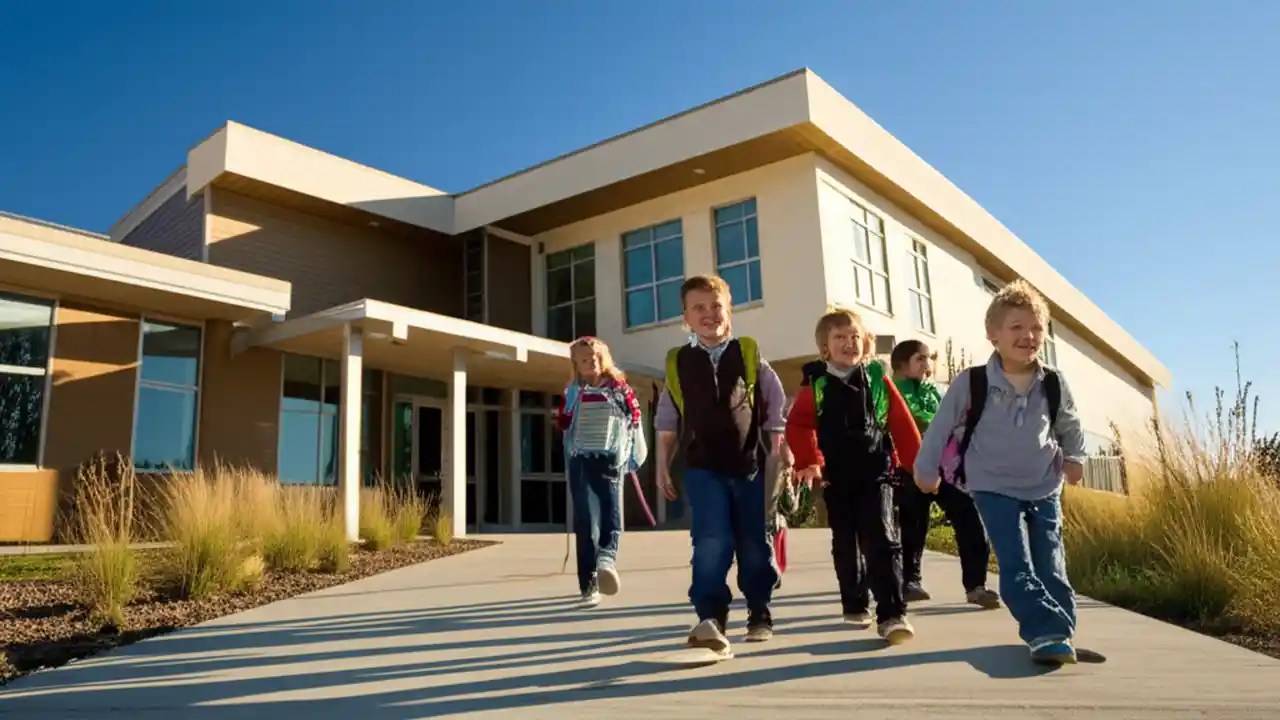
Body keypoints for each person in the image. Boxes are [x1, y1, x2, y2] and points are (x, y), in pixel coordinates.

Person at [914, 280, 1088, 665]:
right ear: (993, 334)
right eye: (1016, 327)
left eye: (1036, 328)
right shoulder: (972, 382)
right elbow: (940, 427)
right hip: (991, 486)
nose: (1028, 336)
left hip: (1044, 483)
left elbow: (1070, 426)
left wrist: (1075, 458)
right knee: (1016, 563)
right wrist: (925, 468)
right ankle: (1046, 631)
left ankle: (1060, 628)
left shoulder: (1054, 382)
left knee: (1051, 563)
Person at [655, 274, 786, 657]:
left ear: (729, 311)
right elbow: (667, 418)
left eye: (717, 307)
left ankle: (759, 610)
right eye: (699, 308)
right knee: (712, 540)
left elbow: (774, 403)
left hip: (749, 466)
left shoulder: (746, 351)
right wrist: (663, 464)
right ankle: (711, 616)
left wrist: (778, 447)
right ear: (686, 316)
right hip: (701, 468)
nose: (709, 314)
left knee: (753, 545)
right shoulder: (678, 361)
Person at [786, 307, 922, 645]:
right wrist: (810, 460)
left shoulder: (877, 377)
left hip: (876, 470)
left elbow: (901, 423)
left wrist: (917, 464)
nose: (849, 343)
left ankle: (892, 613)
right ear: (825, 348)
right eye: (840, 338)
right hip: (836, 476)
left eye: (855, 337)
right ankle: (855, 601)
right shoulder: (815, 383)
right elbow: (799, 425)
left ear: (866, 343)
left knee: (882, 537)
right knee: (846, 543)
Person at [890, 339, 1001, 610]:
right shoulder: (892, 391)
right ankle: (910, 580)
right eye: (920, 358)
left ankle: (976, 585)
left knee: (969, 518)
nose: (927, 364)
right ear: (901, 364)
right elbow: (917, 421)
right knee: (913, 524)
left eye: (930, 358)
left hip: (946, 469)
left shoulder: (936, 392)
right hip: (908, 468)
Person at [555, 336, 647, 608]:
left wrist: (632, 453)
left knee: (610, 513)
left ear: (603, 358)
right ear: (576, 364)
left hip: (610, 458)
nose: (590, 362)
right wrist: (565, 410)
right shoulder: (573, 390)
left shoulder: (619, 387)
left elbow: (635, 418)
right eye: (584, 359)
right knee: (586, 521)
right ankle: (589, 584)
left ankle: (607, 559)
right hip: (580, 459)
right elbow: (563, 422)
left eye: (595, 357)